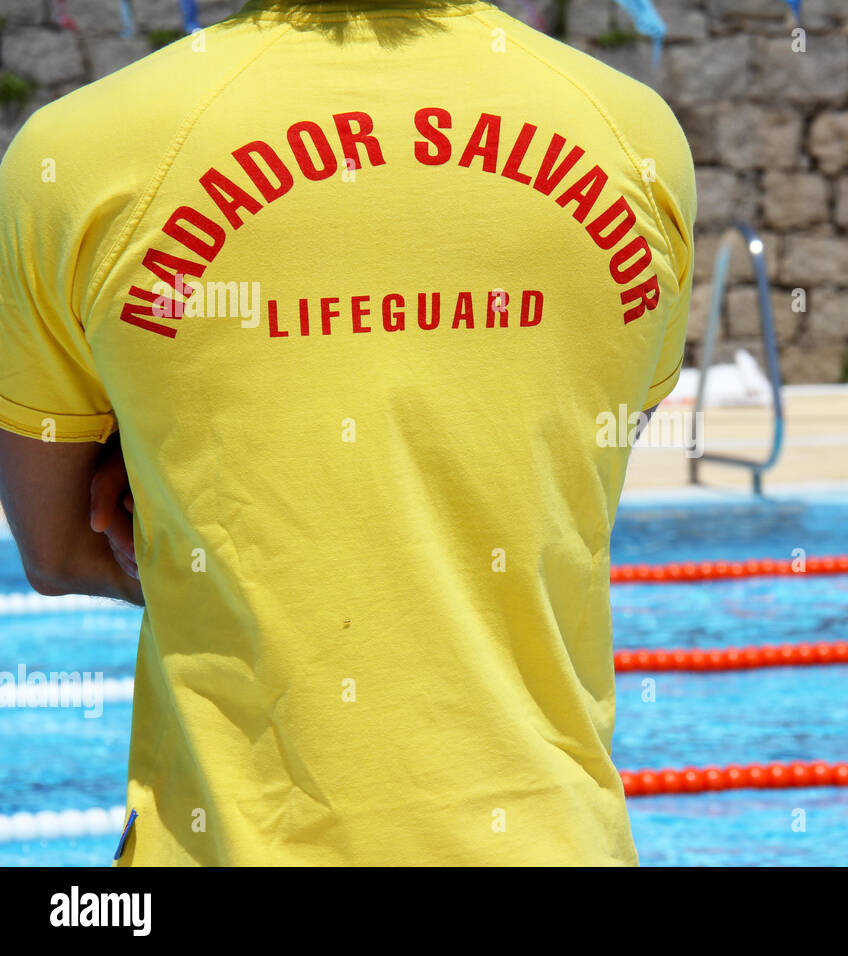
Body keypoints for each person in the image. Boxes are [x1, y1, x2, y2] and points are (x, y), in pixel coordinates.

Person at [0, 0, 695, 865]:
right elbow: (580, 450)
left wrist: (193, 517)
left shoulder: (82, 153)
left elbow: (60, 549)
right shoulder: (631, 133)